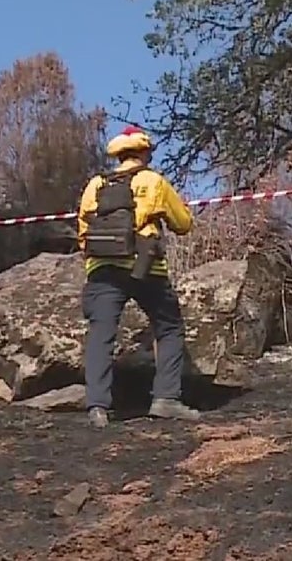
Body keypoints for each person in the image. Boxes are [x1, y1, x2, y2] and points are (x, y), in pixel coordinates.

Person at [76, 125, 198, 428]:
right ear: (144, 152)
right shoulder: (153, 181)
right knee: (168, 327)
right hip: (146, 267)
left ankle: (97, 407)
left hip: (102, 268)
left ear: (118, 155)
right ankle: (166, 399)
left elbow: (82, 232)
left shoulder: (95, 185)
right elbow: (183, 224)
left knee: (101, 334)